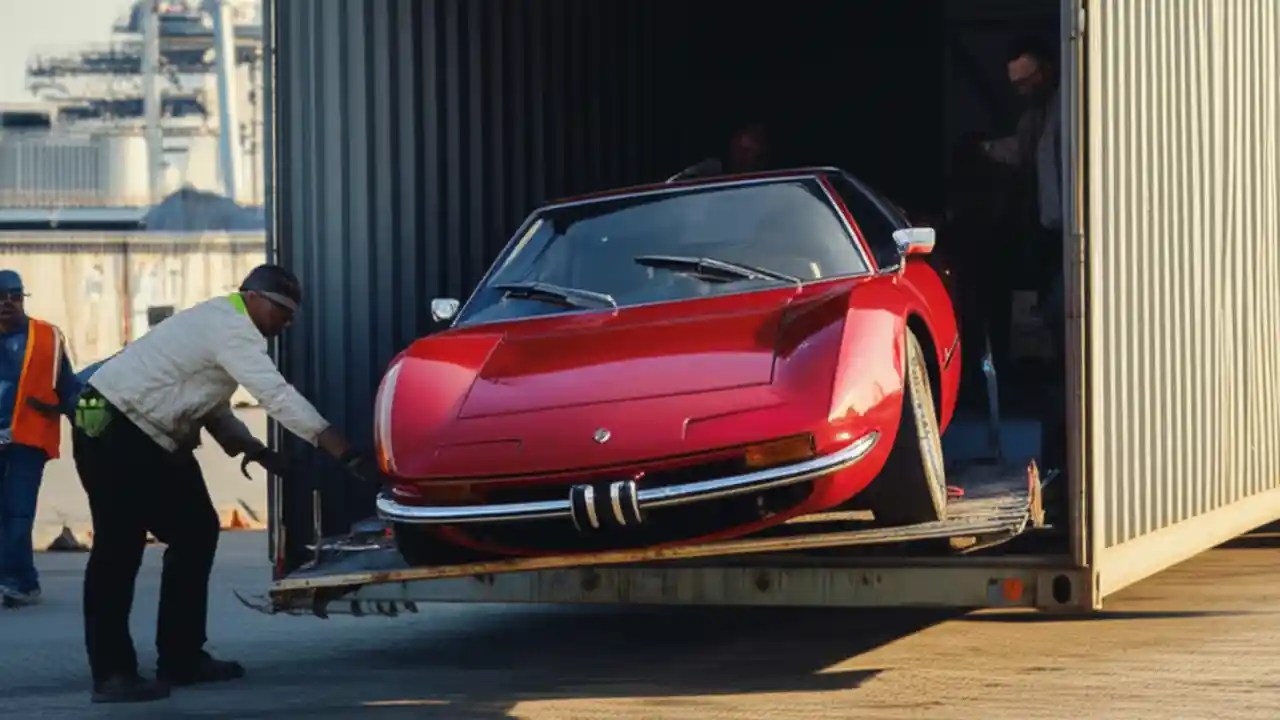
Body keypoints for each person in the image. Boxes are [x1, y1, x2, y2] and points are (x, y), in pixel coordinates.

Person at [71, 264, 384, 704]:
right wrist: (341, 449)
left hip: (143, 431)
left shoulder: (220, 323)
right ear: (255, 297)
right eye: (283, 311)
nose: (287, 323)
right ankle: (112, 673)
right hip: (113, 426)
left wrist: (254, 450)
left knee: (196, 530)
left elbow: (211, 405)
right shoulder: (231, 329)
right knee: (118, 547)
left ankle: (181, 657)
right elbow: (275, 395)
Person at [979, 34, 1067, 472]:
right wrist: (983, 150)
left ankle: (1066, 437)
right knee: (1052, 323)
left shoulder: (1073, 107)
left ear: (1047, 71)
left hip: (1076, 236)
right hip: (1054, 237)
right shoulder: (1039, 115)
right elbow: (1021, 151)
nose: (1021, 92)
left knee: (1060, 322)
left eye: (1027, 81)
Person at [0, 270, 81, 607]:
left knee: (18, 513)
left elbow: (68, 387)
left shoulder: (47, 336)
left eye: (15, 296)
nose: (7, 303)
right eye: (1, 297)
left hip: (28, 438)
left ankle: (20, 582)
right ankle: (21, 577)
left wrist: (85, 420)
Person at [666, 121, 774, 182]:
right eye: (744, 152)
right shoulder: (707, 171)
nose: (758, 146)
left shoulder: (773, 185)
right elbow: (672, 185)